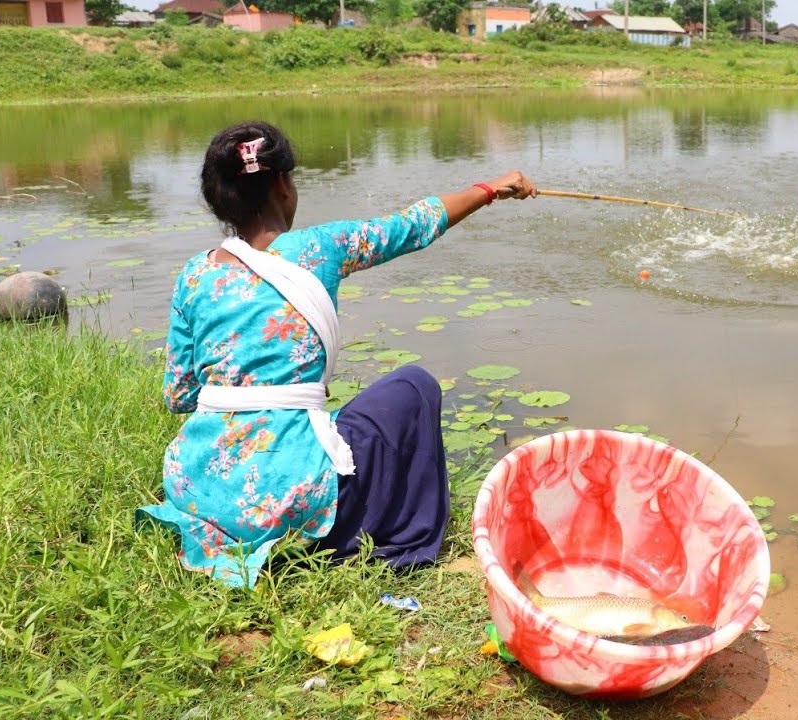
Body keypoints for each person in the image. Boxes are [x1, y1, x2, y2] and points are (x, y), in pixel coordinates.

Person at [136, 120, 537, 589]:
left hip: (199, 491)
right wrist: (489, 189)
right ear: (283, 185)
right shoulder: (320, 248)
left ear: (219, 199)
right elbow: (413, 226)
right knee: (414, 387)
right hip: (288, 495)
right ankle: (408, 536)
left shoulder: (194, 275)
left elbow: (180, 396)